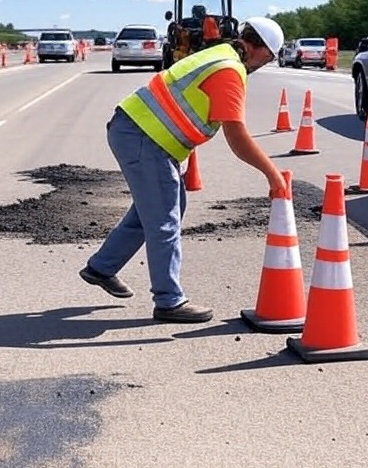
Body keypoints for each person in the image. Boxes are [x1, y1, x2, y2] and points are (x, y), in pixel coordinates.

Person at [79, 16, 287, 324]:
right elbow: (237, 136)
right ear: (262, 51)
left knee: (156, 210)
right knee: (164, 219)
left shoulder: (218, 54)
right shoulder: (230, 71)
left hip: (138, 133)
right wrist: (273, 174)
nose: (265, 65)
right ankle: (169, 301)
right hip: (143, 137)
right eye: (269, 59)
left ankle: (101, 268)